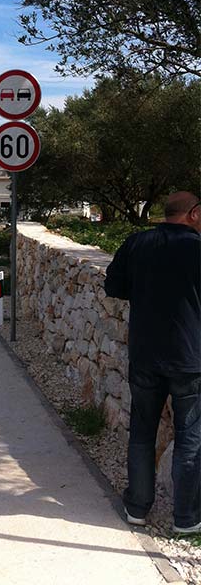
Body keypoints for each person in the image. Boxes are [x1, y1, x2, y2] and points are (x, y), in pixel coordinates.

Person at [105, 191, 201, 532]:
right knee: (190, 436)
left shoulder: (137, 243)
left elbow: (113, 286)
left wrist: (147, 291)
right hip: (190, 359)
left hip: (145, 356)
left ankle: (137, 508)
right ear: (193, 213)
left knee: (142, 433)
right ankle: (186, 519)